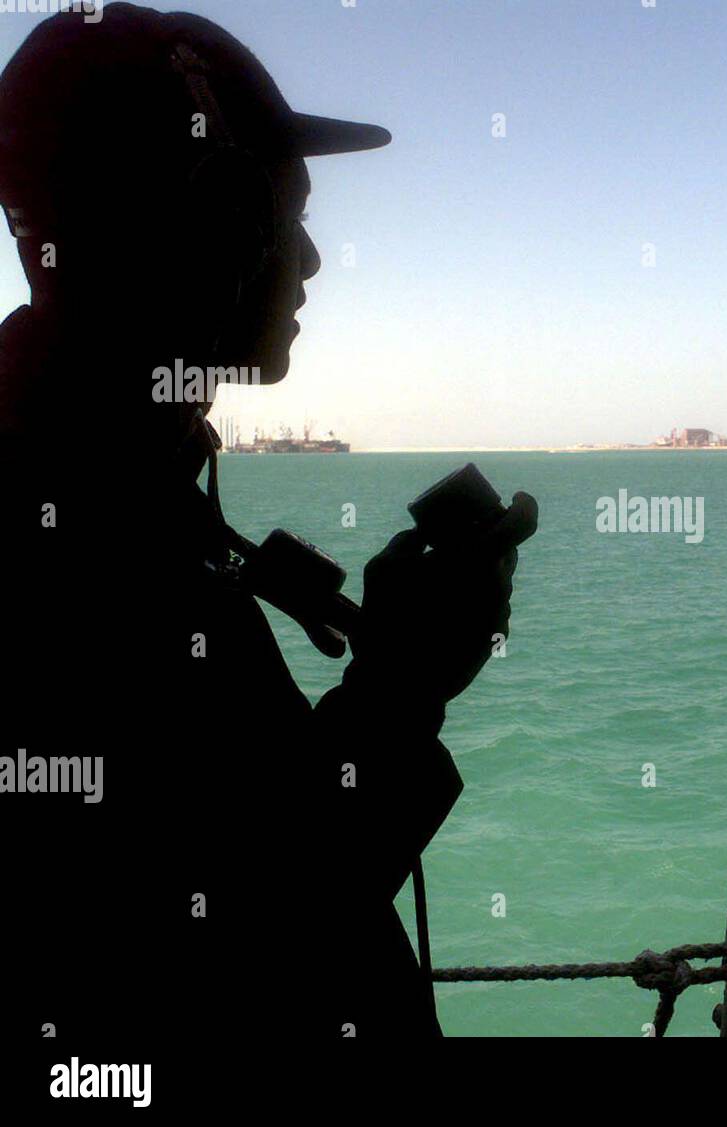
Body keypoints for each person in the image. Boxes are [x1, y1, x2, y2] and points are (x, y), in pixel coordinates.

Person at [0, 2, 536, 1050]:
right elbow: (218, 950)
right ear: (201, 221)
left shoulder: (112, 487)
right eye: (283, 211)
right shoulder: (69, 541)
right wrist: (400, 693)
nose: (311, 258)